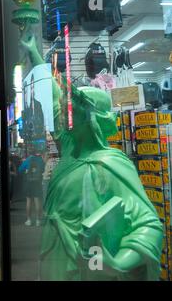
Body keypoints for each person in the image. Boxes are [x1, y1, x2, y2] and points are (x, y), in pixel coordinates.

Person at [21, 34, 163, 280]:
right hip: (55, 254)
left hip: (85, 266)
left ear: (91, 121)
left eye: (71, 112)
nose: (64, 117)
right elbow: (53, 95)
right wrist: (33, 52)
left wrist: (117, 262)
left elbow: (148, 225)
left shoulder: (111, 165)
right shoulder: (69, 148)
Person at [18, 151, 45, 227]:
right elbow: (43, 169)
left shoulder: (27, 160)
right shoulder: (40, 160)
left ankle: (29, 220)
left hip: (28, 182)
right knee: (37, 201)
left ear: (29, 154)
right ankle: (38, 220)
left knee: (28, 201)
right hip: (37, 182)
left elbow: (20, 170)